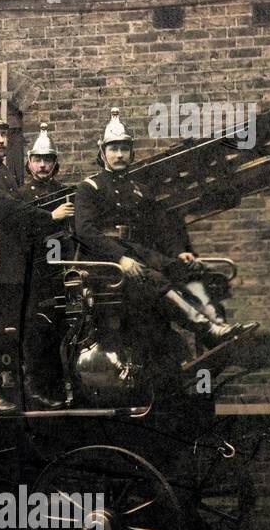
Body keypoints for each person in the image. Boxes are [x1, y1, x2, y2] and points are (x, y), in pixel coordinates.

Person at [73, 108, 256, 358]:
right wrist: (119, 257)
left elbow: (160, 226)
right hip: (107, 261)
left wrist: (179, 252)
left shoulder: (138, 189)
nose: (119, 155)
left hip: (140, 253)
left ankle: (219, 326)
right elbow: (84, 230)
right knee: (152, 279)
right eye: (113, 149)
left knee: (190, 270)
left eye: (124, 149)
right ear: (102, 152)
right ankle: (207, 329)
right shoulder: (90, 187)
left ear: (131, 151)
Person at [0, 101, 74, 412]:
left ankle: (27, 389)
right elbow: (9, 211)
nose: (0, 141)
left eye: (3, 135)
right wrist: (50, 217)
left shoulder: (2, 172)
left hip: (9, 261)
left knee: (22, 327)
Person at [16, 121, 73, 405]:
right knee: (36, 330)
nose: (42, 165)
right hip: (33, 272)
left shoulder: (66, 192)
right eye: (37, 160)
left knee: (62, 330)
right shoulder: (21, 196)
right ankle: (36, 391)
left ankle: (62, 389)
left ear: (55, 163)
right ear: (29, 163)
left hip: (61, 271)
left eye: (47, 160)